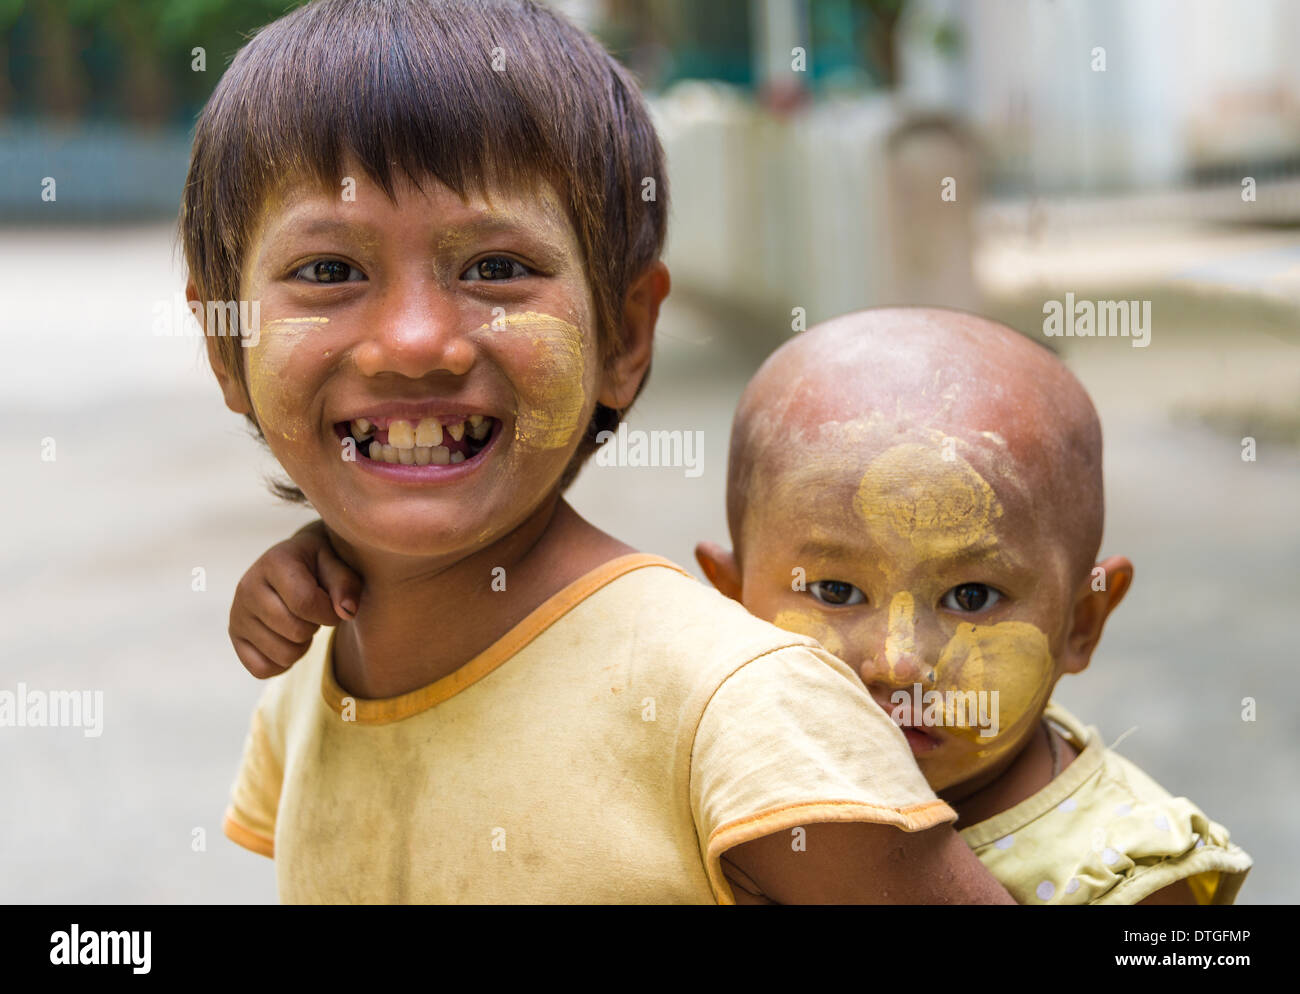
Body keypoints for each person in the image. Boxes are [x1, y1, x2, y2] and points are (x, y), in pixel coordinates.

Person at [191, 0, 1011, 904]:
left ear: (623, 337)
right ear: (226, 345)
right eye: (328, 272)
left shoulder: (734, 712)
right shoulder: (311, 683)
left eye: (496, 268)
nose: (415, 342)